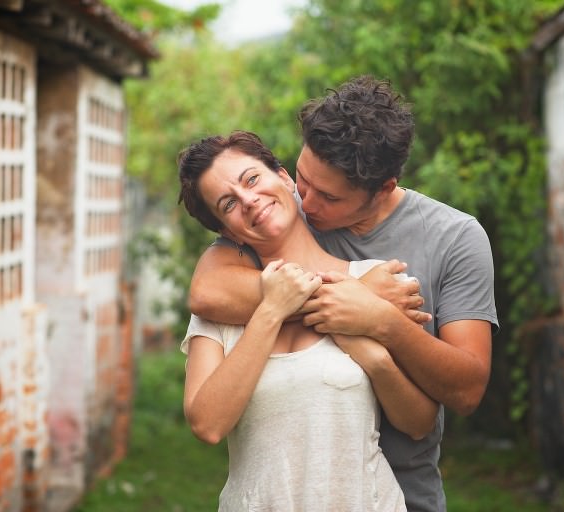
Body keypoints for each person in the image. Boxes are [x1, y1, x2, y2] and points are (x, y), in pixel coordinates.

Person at [187, 76, 499, 512]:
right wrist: (347, 296)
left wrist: (380, 321)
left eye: (328, 197)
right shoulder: (275, 209)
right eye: (300, 177)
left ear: (383, 189)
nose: (306, 203)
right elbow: (206, 292)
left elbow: (464, 391)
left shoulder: (454, 238)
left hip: (401, 494)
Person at [178, 131, 440, 511]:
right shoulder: (220, 309)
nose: (249, 201)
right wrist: (271, 311)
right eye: (228, 203)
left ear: (284, 178)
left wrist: (373, 357)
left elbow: (420, 422)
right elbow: (208, 425)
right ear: (226, 231)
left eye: (252, 179)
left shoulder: (378, 281)